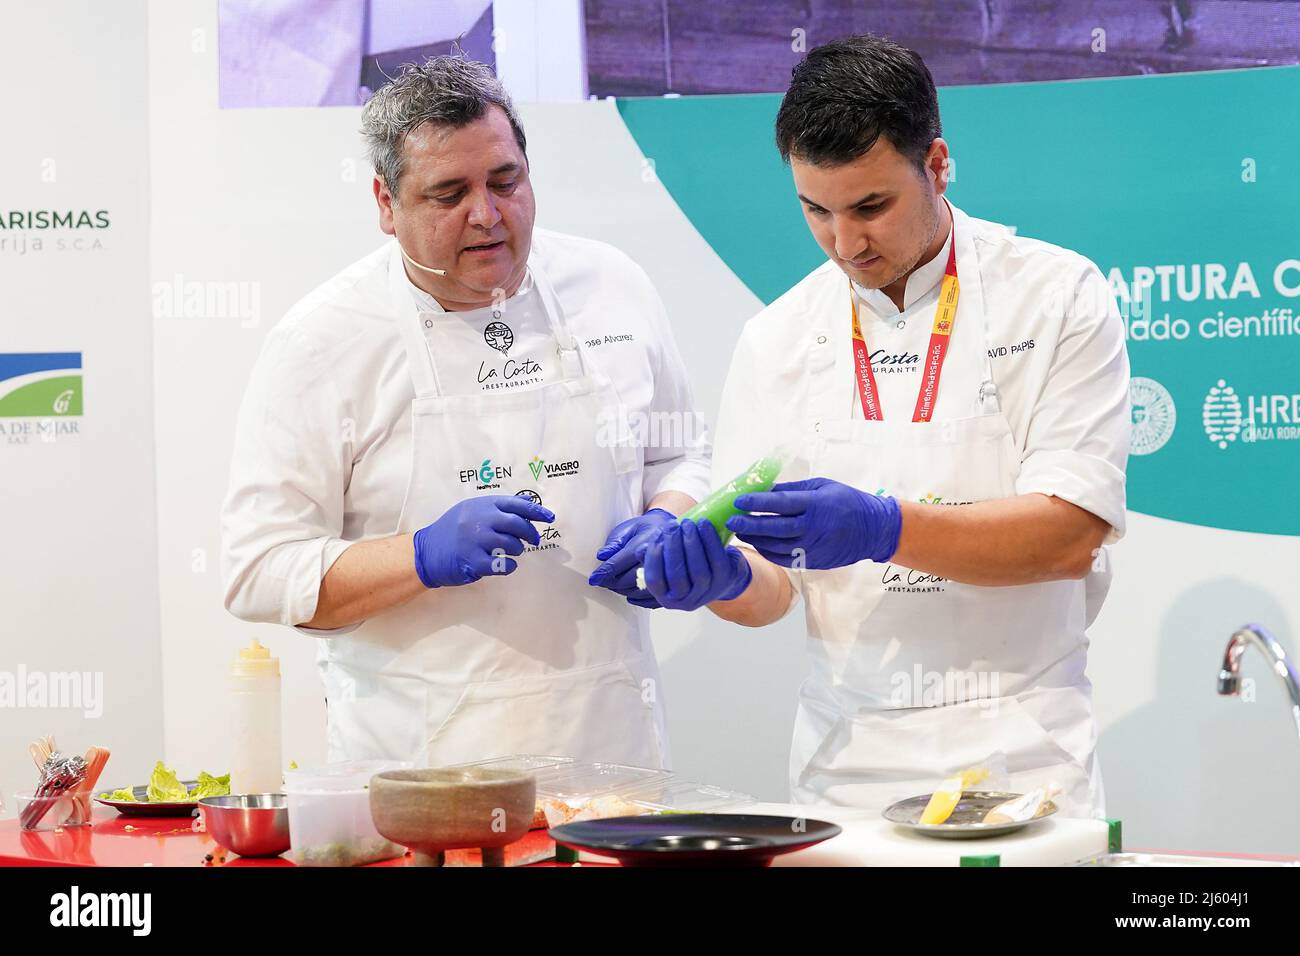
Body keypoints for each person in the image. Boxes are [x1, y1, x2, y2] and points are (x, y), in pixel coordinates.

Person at [637, 34, 1131, 817]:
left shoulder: (1056, 295)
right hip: (850, 771)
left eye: (871, 206)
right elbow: (775, 591)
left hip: (1027, 757)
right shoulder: (779, 338)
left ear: (937, 163)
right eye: (816, 211)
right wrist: (722, 581)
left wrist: (880, 526)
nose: (846, 242)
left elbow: (1068, 538)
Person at [220, 56, 710, 768]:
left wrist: (669, 515)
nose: (486, 215)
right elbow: (258, 567)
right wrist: (417, 556)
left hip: (610, 756)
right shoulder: (320, 342)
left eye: (505, 182)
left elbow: (682, 451)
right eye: (448, 194)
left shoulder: (611, 285)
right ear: (386, 205)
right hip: (422, 776)